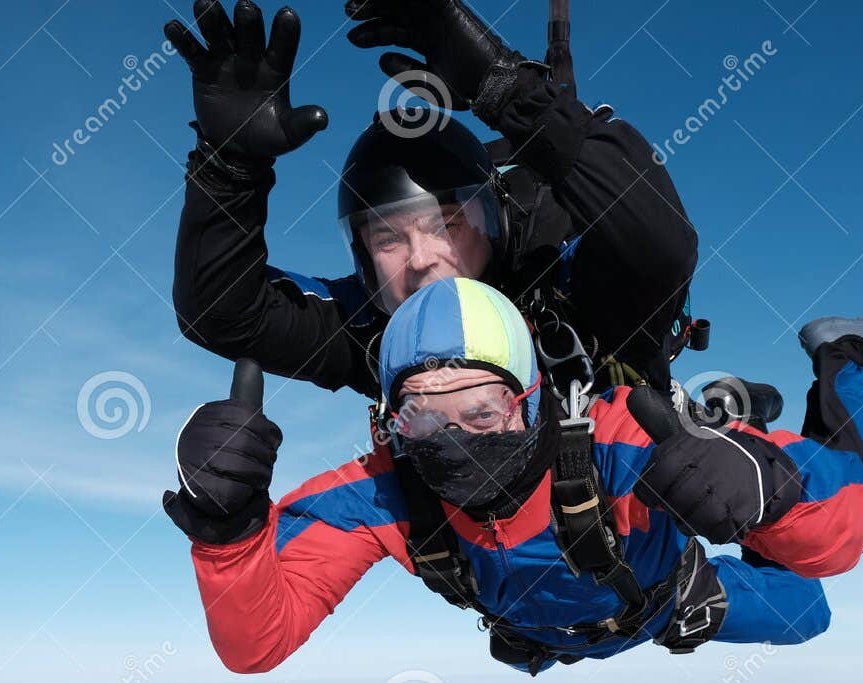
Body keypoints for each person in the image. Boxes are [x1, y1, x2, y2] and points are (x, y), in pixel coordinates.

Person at [164, 278, 863, 675]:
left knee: (814, 595)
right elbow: (256, 644)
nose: (455, 436)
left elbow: (850, 528)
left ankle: (842, 358)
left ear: (532, 397)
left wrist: (767, 487)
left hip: (670, 597)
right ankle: (739, 418)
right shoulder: (383, 493)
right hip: (597, 623)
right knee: (808, 604)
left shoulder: (618, 437)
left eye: (482, 407)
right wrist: (230, 533)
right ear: (388, 420)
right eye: (423, 415)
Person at [165, 0, 701, 405]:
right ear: (363, 257)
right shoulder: (378, 331)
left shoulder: (568, 286)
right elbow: (219, 312)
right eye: (387, 238)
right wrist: (229, 168)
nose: (421, 258)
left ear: (494, 223)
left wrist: (511, 93)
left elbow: (661, 247)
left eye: (446, 224)